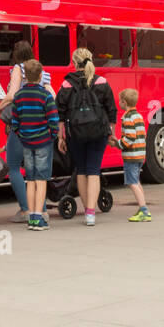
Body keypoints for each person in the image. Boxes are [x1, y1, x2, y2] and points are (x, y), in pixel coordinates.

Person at [55, 47, 117, 226]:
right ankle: (91, 212)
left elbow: (59, 113)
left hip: (75, 134)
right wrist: (111, 133)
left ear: (74, 63)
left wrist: (61, 137)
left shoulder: (67, 84)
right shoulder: (102, 82)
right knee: (94, 170)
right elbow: (111, 111)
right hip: (99, 132)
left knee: (81, 170)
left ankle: (87, 211)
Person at [0, 40, 54, 223]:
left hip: (22, 126)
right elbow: (52, 96)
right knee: (38, 171)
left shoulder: (18, 69)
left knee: (13, 165)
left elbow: (12, 94)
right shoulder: (41, 71)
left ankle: (25, 209)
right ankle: (41, 210)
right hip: (41, 128)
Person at [10, 59, 61, 229]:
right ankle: (39, 217)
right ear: (40, 76)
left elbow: (15, 122)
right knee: (41, 180)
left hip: (26, 142)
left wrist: (22, 136)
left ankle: (31, 217)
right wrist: (52, 135)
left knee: (30, 180)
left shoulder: (18, 96)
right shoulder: (45, 95)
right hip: (43, 142)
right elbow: (53, 119)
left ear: (25, 76)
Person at [113, 87, 150, 221]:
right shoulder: (138, 116)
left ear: (124, 102)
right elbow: (143, 134)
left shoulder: (127, 117)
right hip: (140, 154)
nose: (119, 103)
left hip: (131, 155)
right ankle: (142, 207)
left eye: (120, 101)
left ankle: (144, 211)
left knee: (132, 182)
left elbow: (129, 137)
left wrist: (117, 144)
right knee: (137, 181)